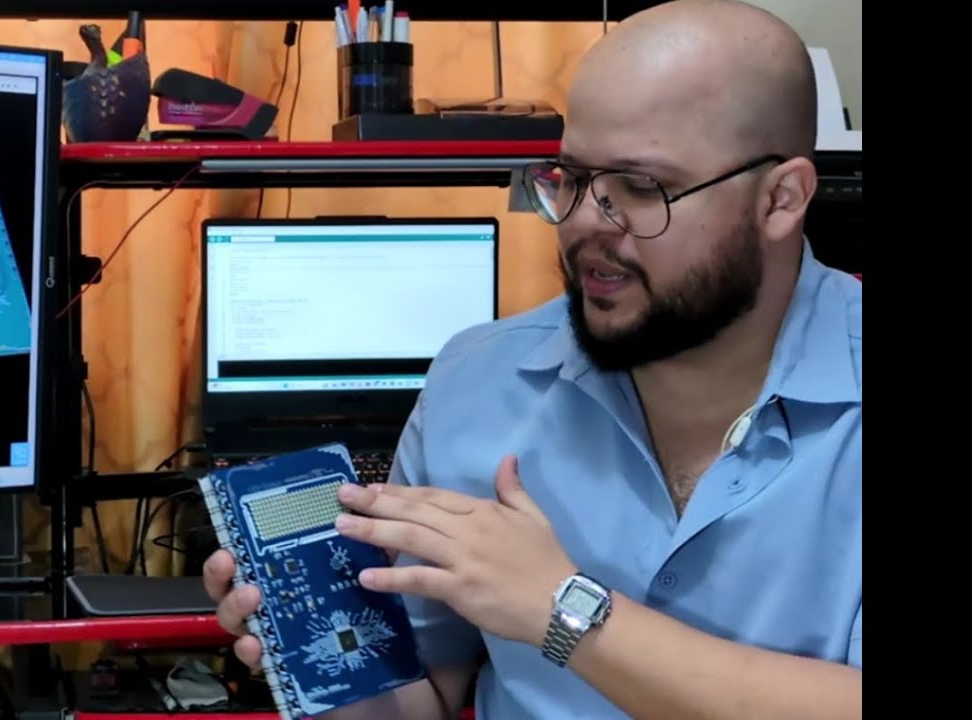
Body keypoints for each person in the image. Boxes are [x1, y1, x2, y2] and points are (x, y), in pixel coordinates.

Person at [204, 0, 862, 716]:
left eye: (642, 189)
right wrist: (318, 658)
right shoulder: (476, 381)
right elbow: (423, 699)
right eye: (572, 179)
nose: (584, 224)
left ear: (781, 199)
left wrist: (562, 609)